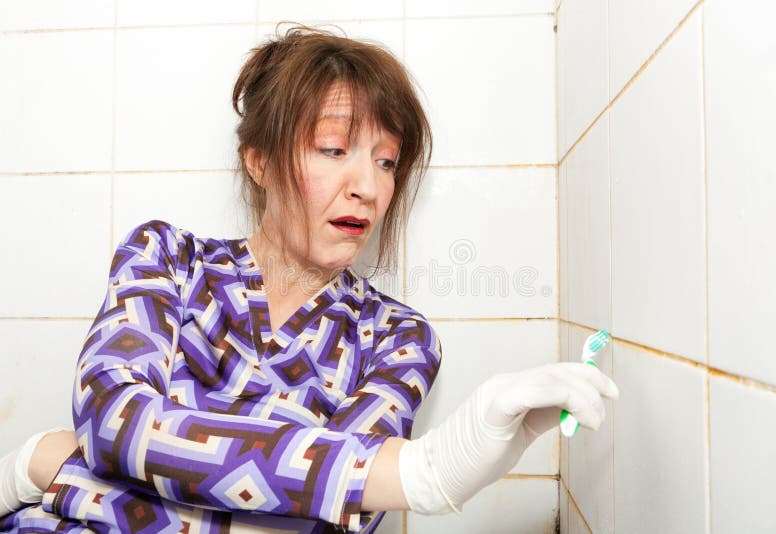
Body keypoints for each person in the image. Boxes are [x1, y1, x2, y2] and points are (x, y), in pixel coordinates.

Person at [0, 25, 619, 533]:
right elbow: (113, 420)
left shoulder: (397, 339)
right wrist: (394, 476)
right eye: (332, 149)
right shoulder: (164, 257)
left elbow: (326, 524)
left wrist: (55, 464)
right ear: (261, 160)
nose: (370, 187)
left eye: (386, 161)